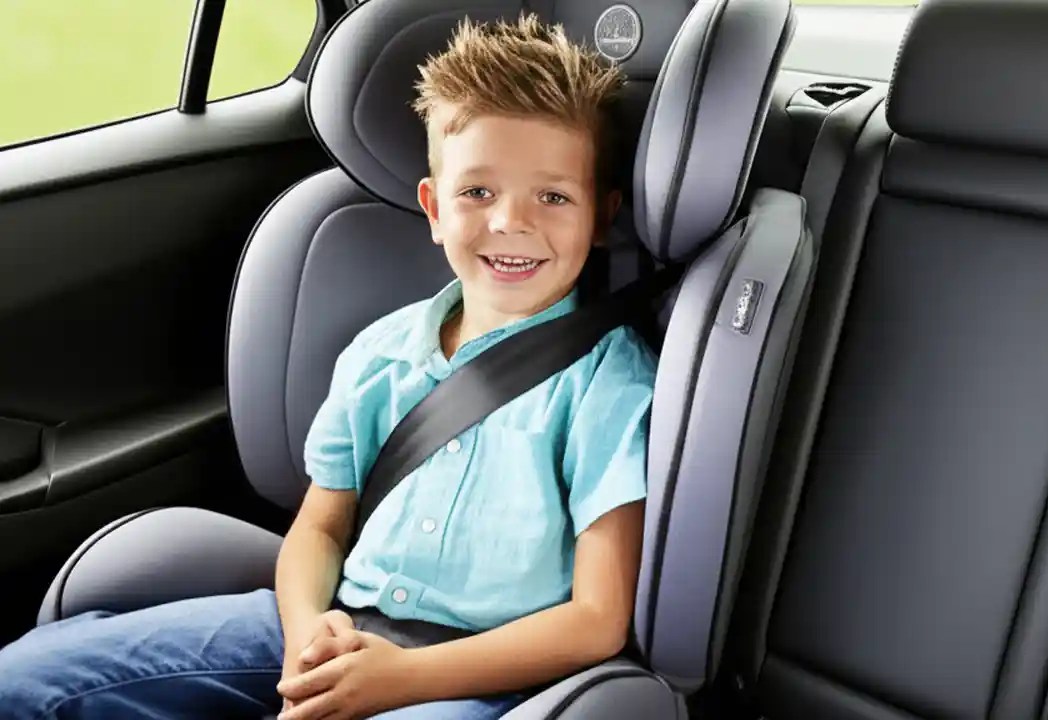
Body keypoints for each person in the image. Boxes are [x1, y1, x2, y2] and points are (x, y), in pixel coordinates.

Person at [0, 15, 656, 720]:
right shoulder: (381, 354)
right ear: (433, 208)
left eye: (553, 197)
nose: (511, 223)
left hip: (480, 677)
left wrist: (401, 679)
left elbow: (596, 618)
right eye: (477, 193)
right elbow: (318, 530)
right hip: (336, 625)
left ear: (601, 216)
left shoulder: (607, 385)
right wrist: (308, 632)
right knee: (27, 681)